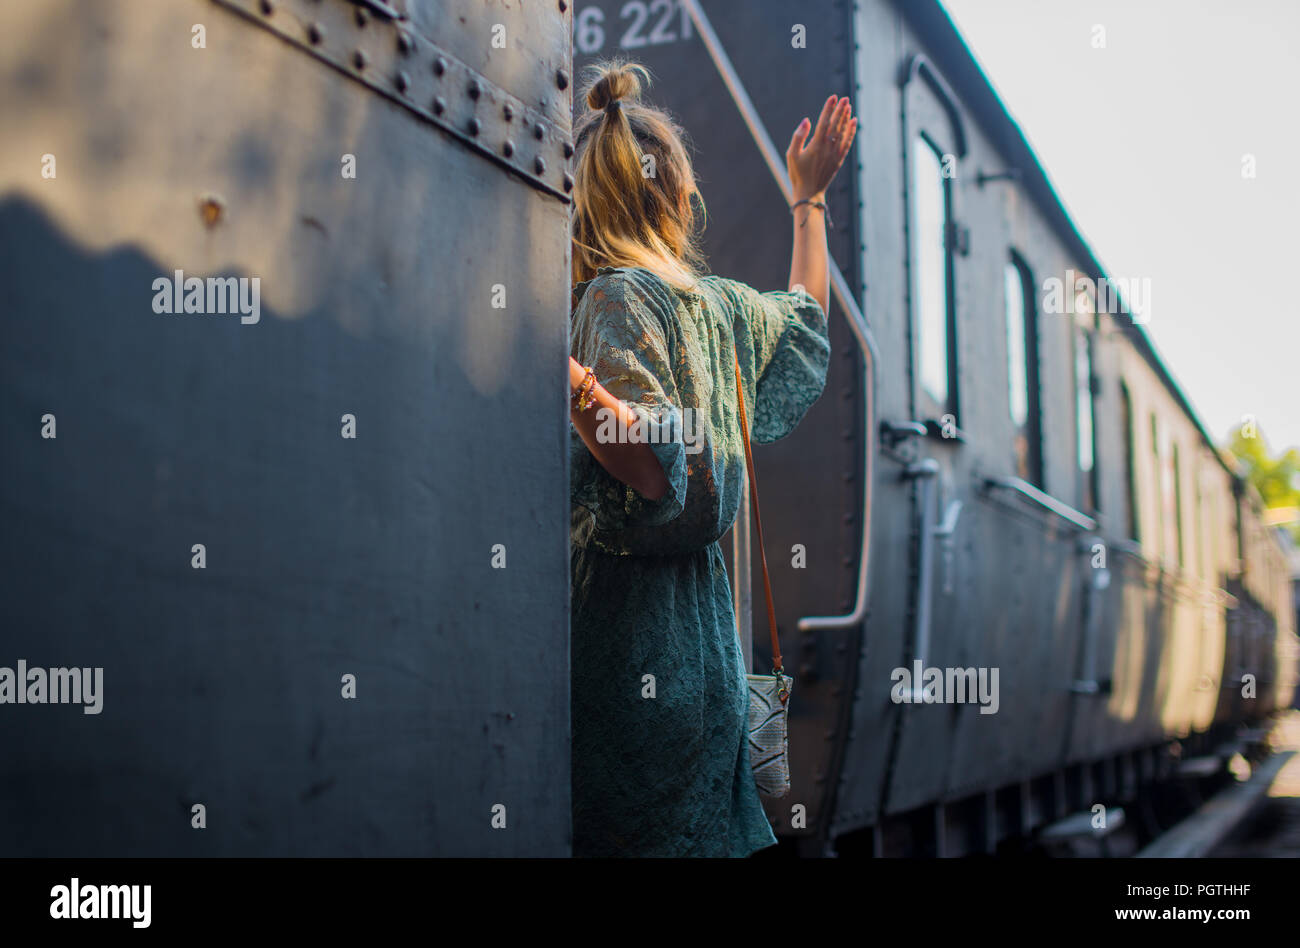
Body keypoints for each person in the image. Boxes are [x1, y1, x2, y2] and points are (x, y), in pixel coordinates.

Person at [566, 60, 857, 857]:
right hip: (708, 669)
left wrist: (571, 384)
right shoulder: (719, 306)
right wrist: (810, 200)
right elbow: (805, 319)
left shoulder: (614, 299)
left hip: (624, 662)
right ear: (678, 197)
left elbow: (656, 467)